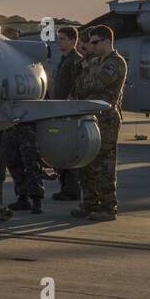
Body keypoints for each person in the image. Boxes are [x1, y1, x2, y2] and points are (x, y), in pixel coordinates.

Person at [72, 25, 127, 221]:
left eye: (95, 42)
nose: (91, 46)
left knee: (104, 164)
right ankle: (90, 203)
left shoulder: (115, 62)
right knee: (87, 161)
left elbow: (95, 84)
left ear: (106, 41)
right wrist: (88, 71)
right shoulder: (95, 62)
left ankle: (107, 207)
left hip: (107, 119)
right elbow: (79, 88)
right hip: (90, 116)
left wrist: (89, 73)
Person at [51, 26, 85, 201]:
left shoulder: (75, 61)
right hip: (61, 110)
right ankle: (66, 187)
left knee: (70, 150)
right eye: (59, 38)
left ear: (73, 41)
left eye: (62, 39)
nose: (59, 41)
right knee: (62, 150)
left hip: (69, 112)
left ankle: (71, 189)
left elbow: (77, 87)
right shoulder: (65, 60)